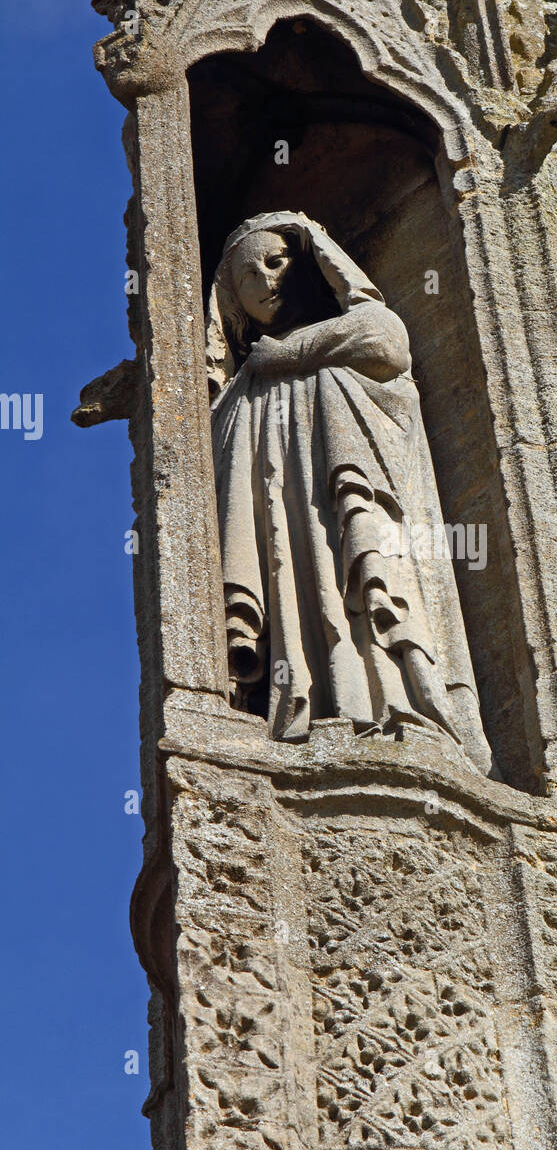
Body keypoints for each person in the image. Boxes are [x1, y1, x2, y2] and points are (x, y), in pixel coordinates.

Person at [206, 210, 494, 776]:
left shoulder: (345, 342)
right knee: (293, 596)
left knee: (369, 598)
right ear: (232, 299)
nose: (265, 279)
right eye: (247, 275)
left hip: (354, 526)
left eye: (277, 260)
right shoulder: (242, 388)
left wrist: (290, 350)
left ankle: (395, 707)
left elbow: (387, 338)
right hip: (283, 535)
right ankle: (308, 712)